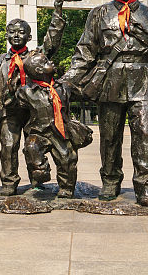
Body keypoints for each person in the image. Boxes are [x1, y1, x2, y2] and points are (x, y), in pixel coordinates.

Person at [63, 0, 148, 207]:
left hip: (144, 80)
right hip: (110, 79)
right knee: (109, 136)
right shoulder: (99, 14)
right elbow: (84, 52)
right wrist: (66, 82)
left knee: (145, 135)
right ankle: (110, 181)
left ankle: (146, 187)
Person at [0, 0, 65, 195]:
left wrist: (57, 11)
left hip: (34, 112)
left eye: (21, 32)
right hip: (9, 111)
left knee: (33, 147)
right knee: (8, 146)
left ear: (29, 37)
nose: (16, 35)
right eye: (12, 32)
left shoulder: (36, 56)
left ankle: (37, 180)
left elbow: (51, 41)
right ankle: (9, 182)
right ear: (6, 35)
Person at [17, 50, 92, 199]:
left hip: (60, 132)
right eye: (46, 62)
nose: (51, 62)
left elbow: (84, 92)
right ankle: (41, 171)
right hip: (39, 132)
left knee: (67, 159)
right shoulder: (26, 92)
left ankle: (66, 188)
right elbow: (19, 105)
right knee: (31, 147)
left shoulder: (64, 87)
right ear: (38, 70)